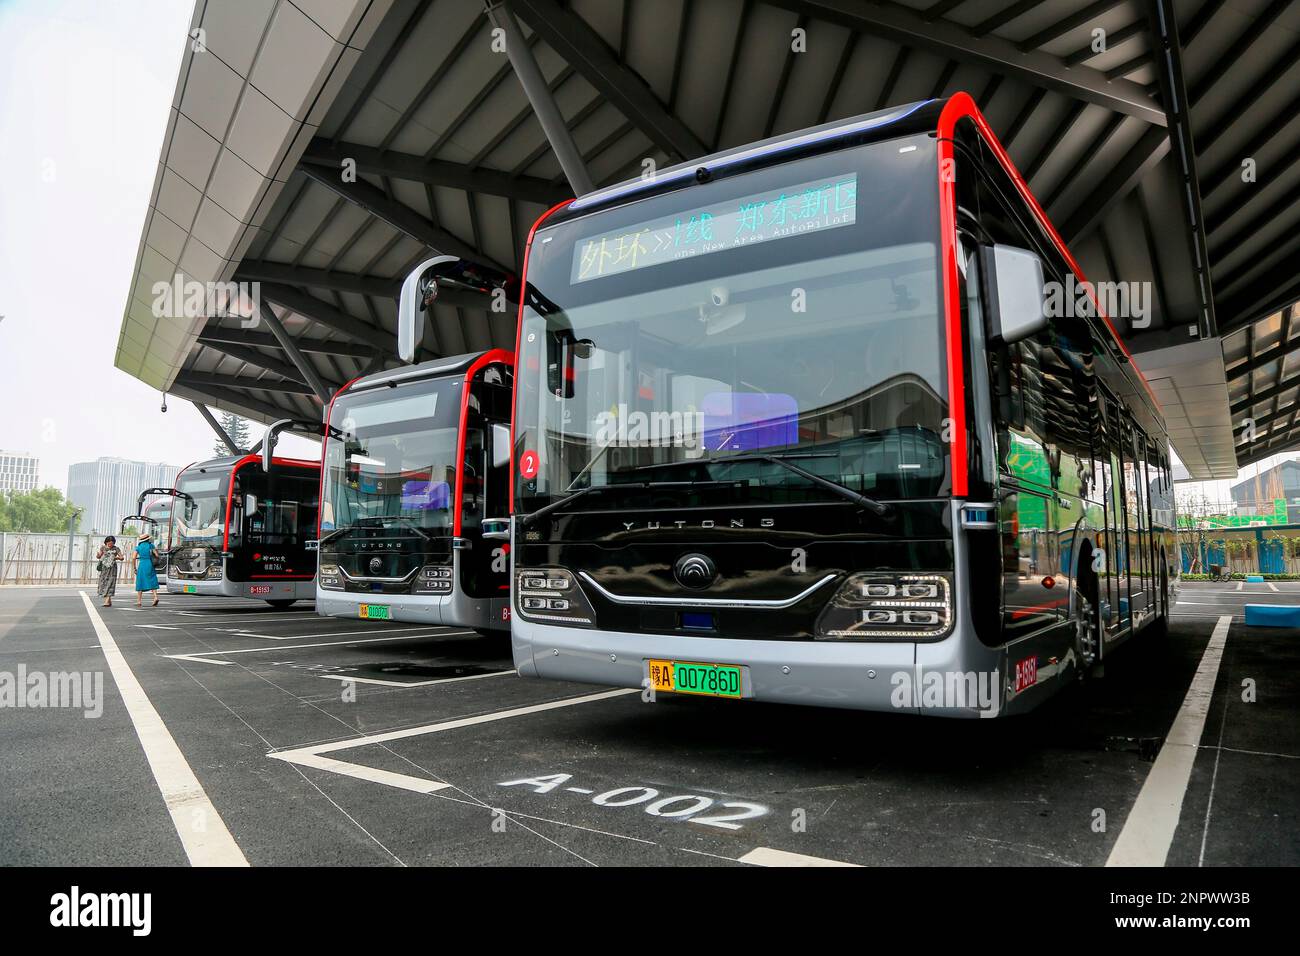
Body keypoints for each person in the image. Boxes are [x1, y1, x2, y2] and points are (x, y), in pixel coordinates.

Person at [95, 536, 124, 607]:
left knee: (110, 582)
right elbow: (99, 557)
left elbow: (122, 557)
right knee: (104, 582)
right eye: (109, 543)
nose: (110, 545)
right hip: (104, 568)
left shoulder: (116, 549)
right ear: (106, 542)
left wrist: (115, 557)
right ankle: (109, 600)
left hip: (112, 568)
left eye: (112, 543)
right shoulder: (103, 548)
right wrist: (98, 555)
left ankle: (107, 601)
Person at [135, 532, 161, 607]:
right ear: (147, 539)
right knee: (152, 579)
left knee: (140, 581)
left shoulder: (138, 547)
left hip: (142, 564)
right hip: (150, 564)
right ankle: (155, 597)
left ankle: (139, 601)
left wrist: (134, 567)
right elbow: (156, 555)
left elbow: (133, 557)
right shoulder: (151, 545)